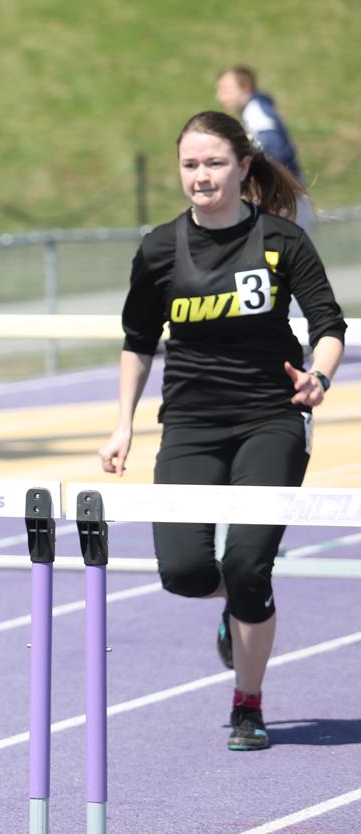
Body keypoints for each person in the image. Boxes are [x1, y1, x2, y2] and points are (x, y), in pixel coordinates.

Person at [98, 110, 345, 753]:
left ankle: (248, 702)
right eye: (189, 165)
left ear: (242, 166)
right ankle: (234, 605)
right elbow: (137, 340)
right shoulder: (158, 248)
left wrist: (317, 377)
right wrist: (121, 425)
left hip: (271, 418)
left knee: (248, 563)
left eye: (213, 163)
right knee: (181, 570)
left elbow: (329, 323)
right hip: (190, 423)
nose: (201, 176)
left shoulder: (280, 241)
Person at [215, 66, 312, 231]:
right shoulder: (254, 111)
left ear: (245, 88)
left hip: (285, 200)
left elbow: (275, 150)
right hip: (285, 198)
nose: (220, 96)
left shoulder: (255, 111)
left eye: (225, 90)